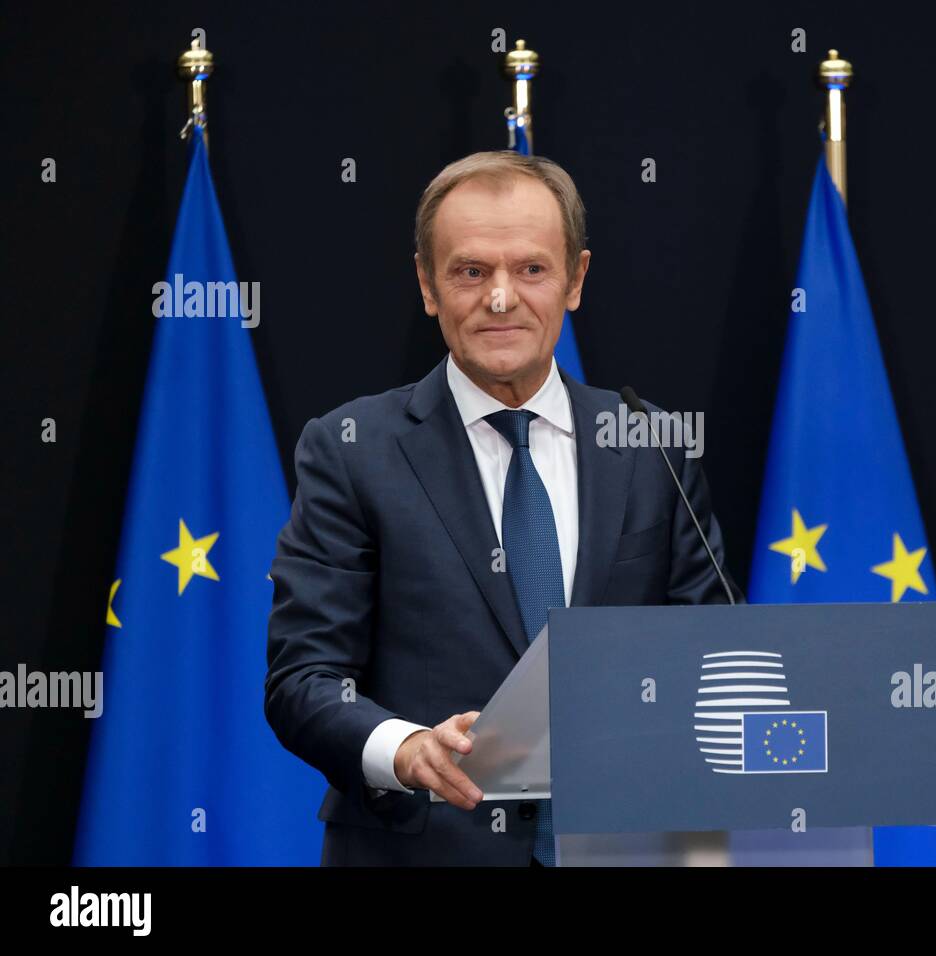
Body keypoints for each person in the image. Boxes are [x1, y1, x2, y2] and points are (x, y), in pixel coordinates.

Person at [264, 151, 739, 866]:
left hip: (627, 849)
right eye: (470, 271)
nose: (500, 298)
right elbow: (304, 680)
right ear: (427, 285)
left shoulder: (650, 444)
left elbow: (714, 658)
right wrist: (407, 749)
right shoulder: (350, 450)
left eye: (532, 269)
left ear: (576, 279)